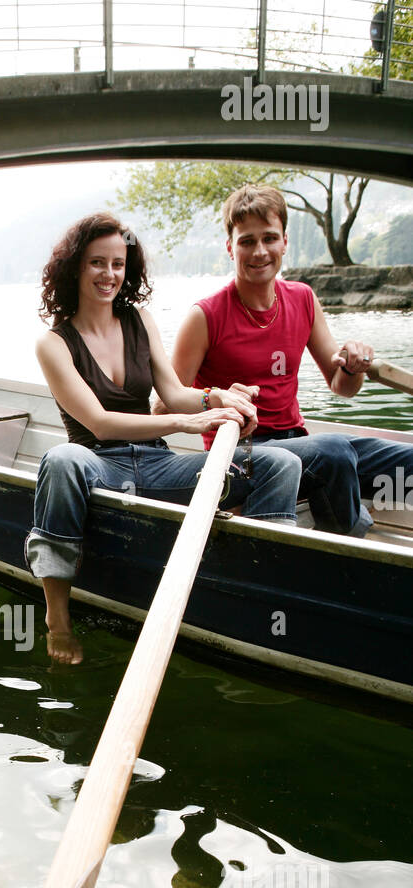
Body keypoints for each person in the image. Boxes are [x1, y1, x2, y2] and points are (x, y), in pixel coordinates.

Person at [27, 212, 302, 665]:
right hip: (97, 464)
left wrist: (218, 399)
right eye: (98, 263)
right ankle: (57, 617)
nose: (109, 274)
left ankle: (260, 594)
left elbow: (173, 392)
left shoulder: (138, 320)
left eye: (118, 264)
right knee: (60, 459)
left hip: (156, 462)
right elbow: (99, 423)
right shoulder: (53, 344)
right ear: (75, 267)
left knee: (280, 462)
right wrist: (182, 424)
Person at [167, 183, 413, 538]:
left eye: (269, 238)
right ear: (229, 247)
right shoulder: (205, 316)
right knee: (335, 451)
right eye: (247, 241)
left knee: (405, 461)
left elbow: (341, 387)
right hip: (242, 455)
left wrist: (352, 365)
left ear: (285, 241)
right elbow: (164, 405)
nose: (260, 251)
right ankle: (353, 546)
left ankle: (346, 515)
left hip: (302, 443)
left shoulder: (303, 298)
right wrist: (216, 397)